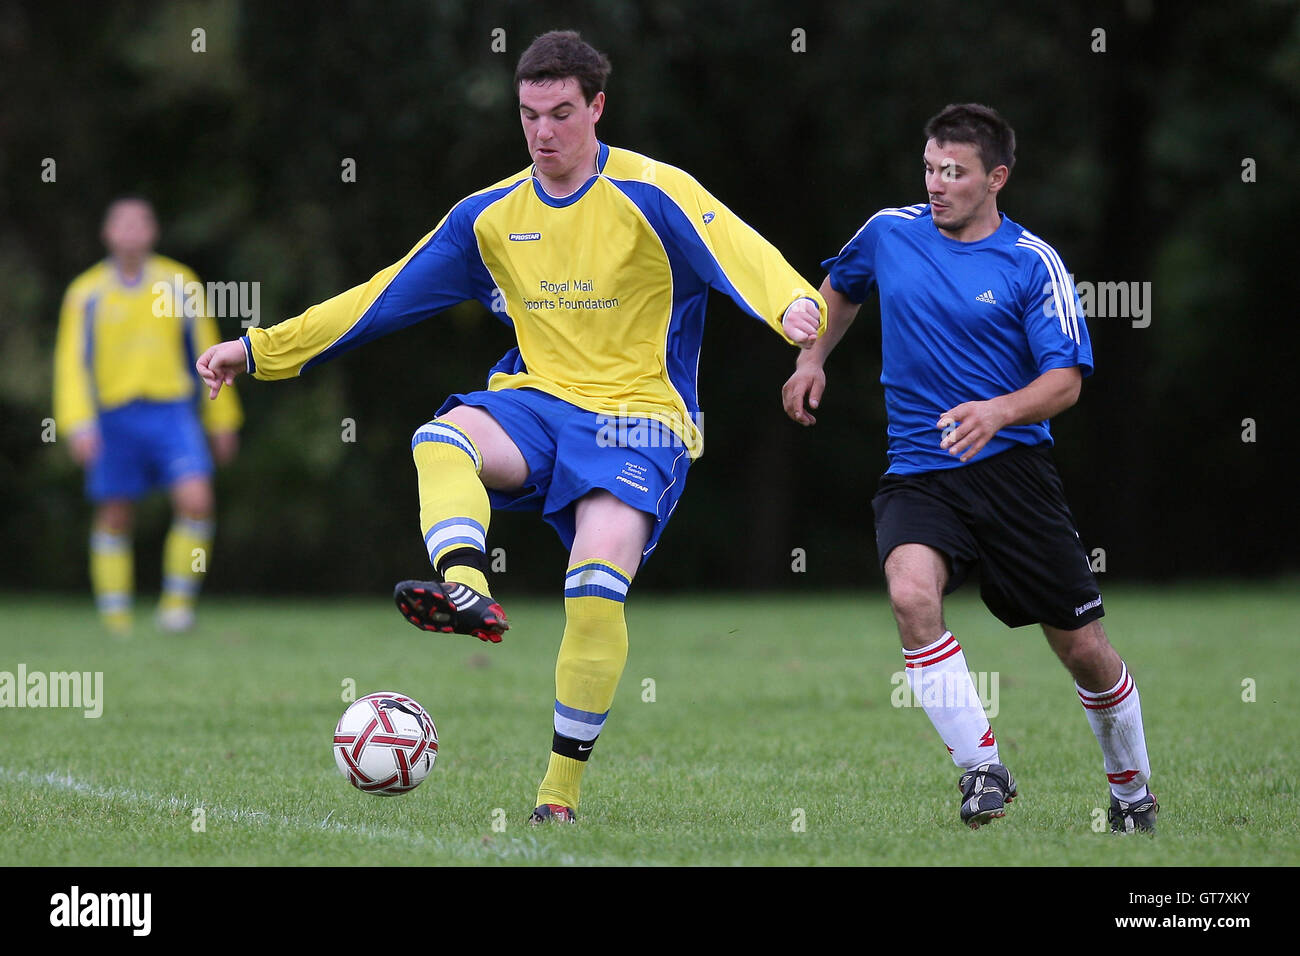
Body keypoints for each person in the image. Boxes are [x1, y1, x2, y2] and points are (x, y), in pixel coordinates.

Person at [197, 30, 825, 824]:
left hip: (641, 422)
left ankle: (557, 798)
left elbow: (738, 251)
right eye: (529, 115)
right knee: (443, 435)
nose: (544, 133)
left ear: (598, 107)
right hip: (537, 404)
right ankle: (466, 585)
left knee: (594, 595)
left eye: (562, 113)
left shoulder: (654, 190)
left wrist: (791, 305)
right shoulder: (491, 217)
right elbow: (378, 296)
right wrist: (258, 350)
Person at [782, 103, 1157, 833]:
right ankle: (982, 766)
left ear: (997, 178)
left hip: (1014, 476)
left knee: (1082, 648)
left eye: (954, 172)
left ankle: (1132, 794)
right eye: (930, 168)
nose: (937, 184)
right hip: (920, 471)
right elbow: (841, 287)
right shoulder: (889, 232)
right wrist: (811, 358)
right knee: (911, 595)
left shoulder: (1031, 262)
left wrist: (998, 411)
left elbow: (1067, 381)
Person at [54, 197, 242, 635]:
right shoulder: (85, 293)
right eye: (122, 223)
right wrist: (77, 422)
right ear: (107, 233)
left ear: (153, 232)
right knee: (115, 513)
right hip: (113, 416)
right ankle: (116, 618)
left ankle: (176, 608)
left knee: (197, 501)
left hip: (173, 413)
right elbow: (71, 365)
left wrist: (222, 419)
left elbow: (210, 351)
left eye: (141, 223)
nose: (132, 231)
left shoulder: (181, 283)